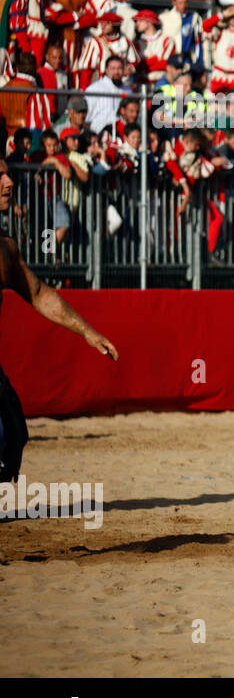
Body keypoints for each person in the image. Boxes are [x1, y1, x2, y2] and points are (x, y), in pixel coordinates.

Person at [0, 158, 119, 482]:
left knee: (11, 437)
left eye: (8, 174)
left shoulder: (6, 247)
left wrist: (87, 332)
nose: (9, 182)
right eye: (0, 176)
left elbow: (38, 293)